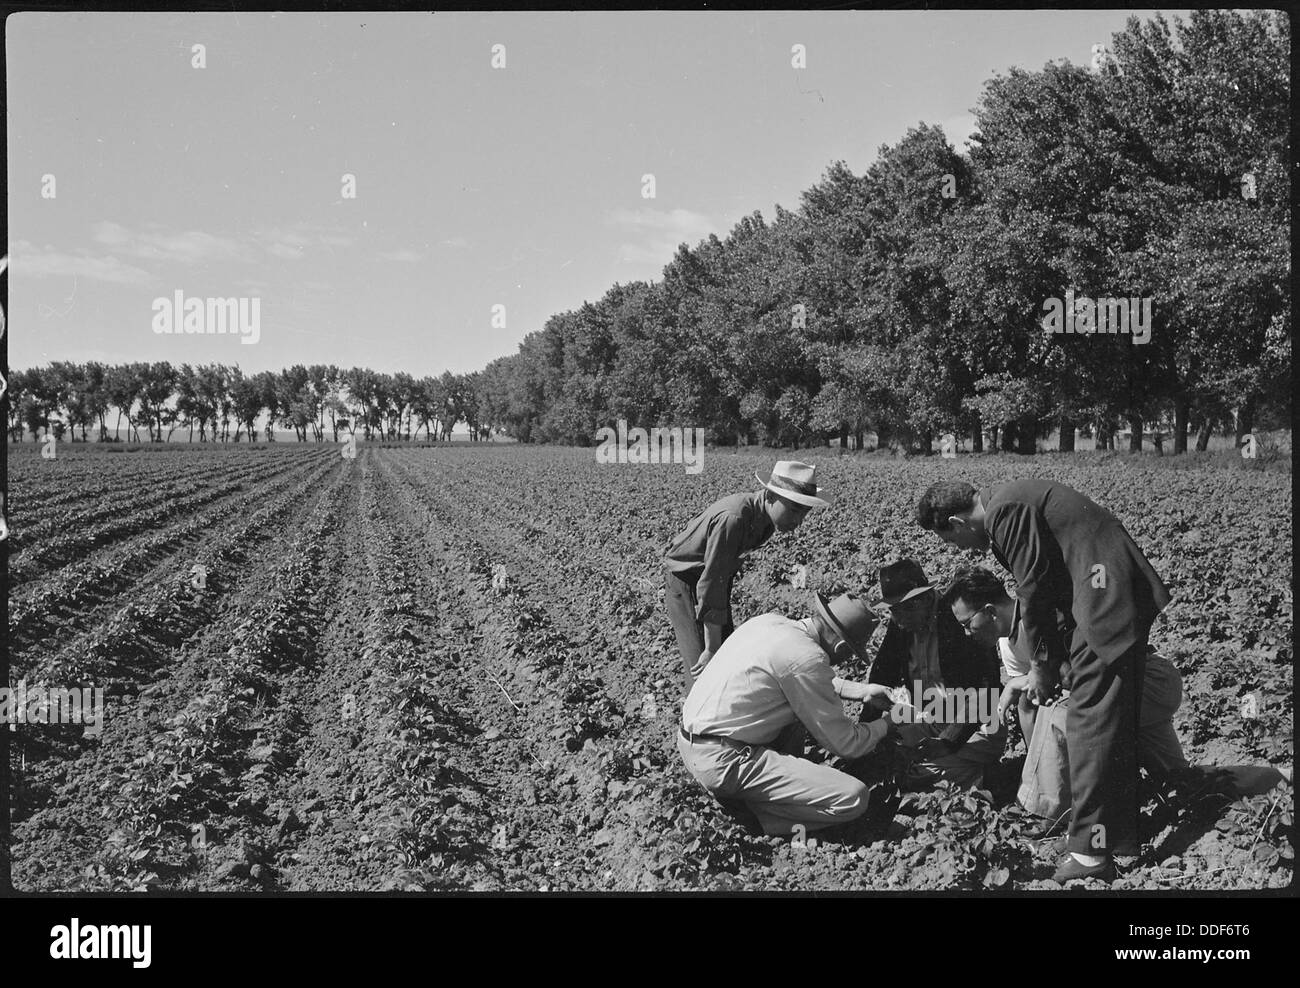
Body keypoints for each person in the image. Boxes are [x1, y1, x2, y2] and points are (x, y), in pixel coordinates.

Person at [917, 479, 1171, 883]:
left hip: (1103, 599)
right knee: (1109, 723)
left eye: (952, 541)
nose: (962, 551)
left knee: (1091, 722)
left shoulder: (1004, 512)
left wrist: (1041, 663)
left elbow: (1034, 587)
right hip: (1106, 597)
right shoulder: (1010, 504)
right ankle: (1116, 837)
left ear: (955, 522)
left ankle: (1091, 854)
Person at [944, 566, 1187, 811]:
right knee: (1182, 781)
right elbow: (1031, 702)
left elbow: (1086, 674)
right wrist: (1037, 772)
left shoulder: (1045, 617)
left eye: (967, 623)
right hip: (1115, 701)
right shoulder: (1007, 645)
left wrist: (1027, 681)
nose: (965, 633)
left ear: (990, 612)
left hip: (1144, 682)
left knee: (1063, 720)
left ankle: (1060, 816)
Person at [677, 591, 896, 836]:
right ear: (842, 646)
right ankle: (755, 818)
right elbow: (848, 745)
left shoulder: (770, 623)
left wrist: (861, 690)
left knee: (799, 708)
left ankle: (766, 791)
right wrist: (888, 724)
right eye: (851, 653)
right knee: (853, 797)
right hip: (724, 763)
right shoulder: (805, 659)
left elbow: (797, 676)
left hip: (693, 744)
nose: (846, 660)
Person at [664, 461, 829, 689]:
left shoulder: (767, 520)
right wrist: (711, 647)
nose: (798, 522)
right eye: (794, 510)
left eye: (804, 514)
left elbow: (720, 576)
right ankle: (692, 720)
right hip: (687, 580)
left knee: (726, 656)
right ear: (771, 496)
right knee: (703, 666)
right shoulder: (735, 519)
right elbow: (711, 584)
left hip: (715, 580)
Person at [857, 558, 1004, 789]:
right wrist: (863, 734)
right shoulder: (901, 625)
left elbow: (987, 690)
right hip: (930, 719)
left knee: (917, 773)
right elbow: (881, 676)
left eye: (906, 609)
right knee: (888, 754)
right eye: (894, 611)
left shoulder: (959, 619)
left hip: (975, 722)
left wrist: (948, 741)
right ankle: (965, 772)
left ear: (926, 598)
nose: (900, 619)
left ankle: (994, 778)